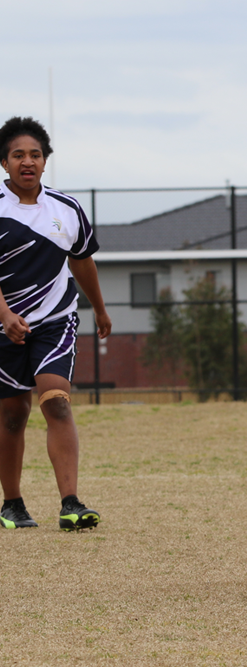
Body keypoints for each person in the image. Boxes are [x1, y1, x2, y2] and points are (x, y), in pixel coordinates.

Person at [0, 116, 112, 531]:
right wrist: (6, 315)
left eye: (35, 154)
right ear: (4, 163)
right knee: (12, 414)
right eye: (18, 155)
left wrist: (99, 308)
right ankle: (12, 503)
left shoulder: (67, 209)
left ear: (45, 161)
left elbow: (82, 262)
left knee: (56, 400)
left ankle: (71, 503)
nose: (27, 162)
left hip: (56, 321)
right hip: (4, 327)